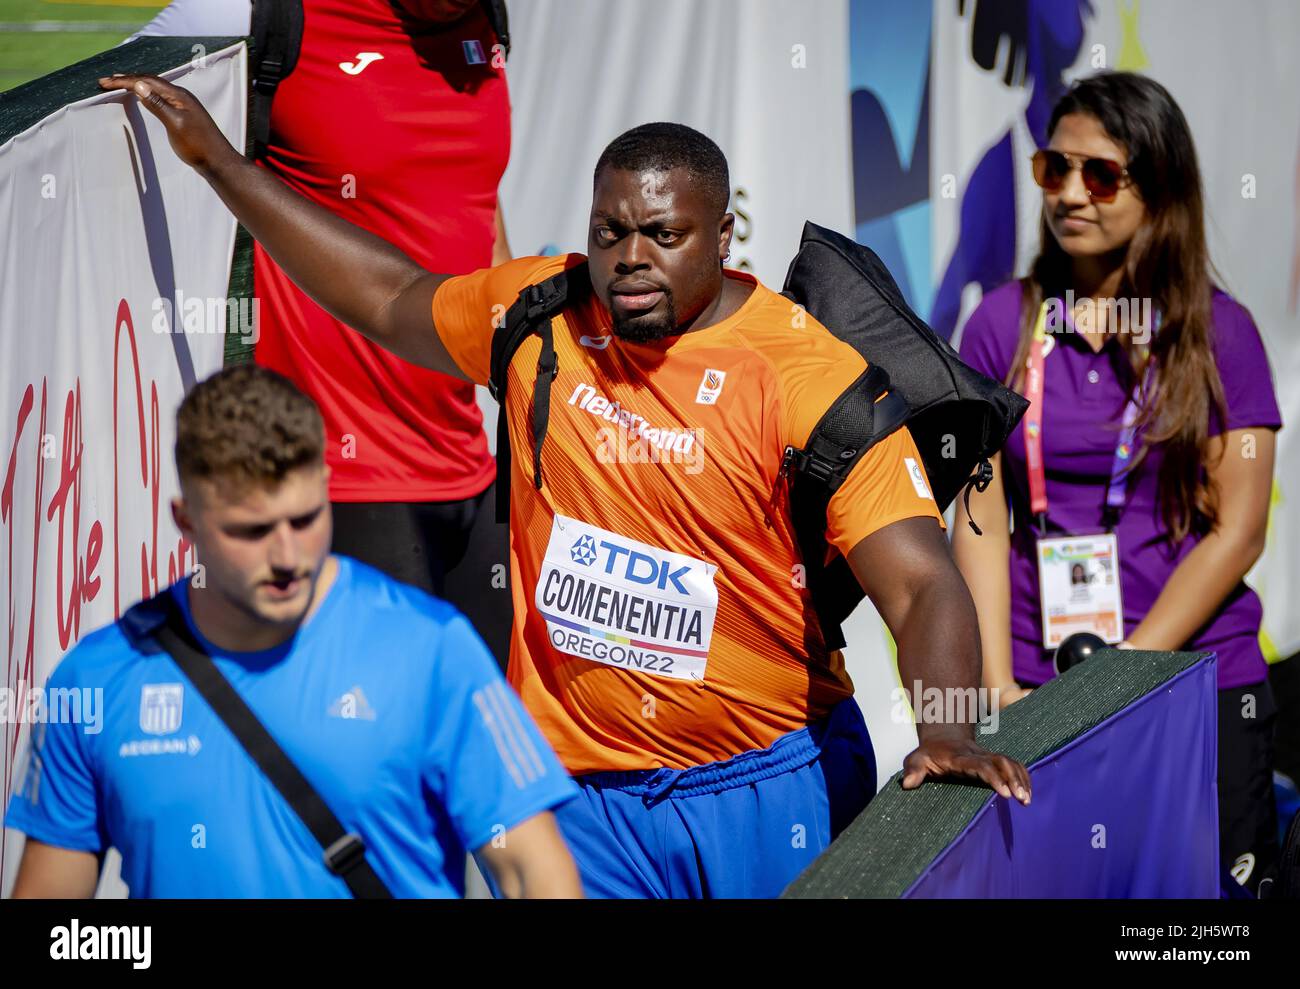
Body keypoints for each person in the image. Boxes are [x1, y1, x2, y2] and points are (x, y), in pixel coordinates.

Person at [96, 71, 1033, 897]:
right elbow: (384, 294)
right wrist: (221, 164)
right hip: (577, 798)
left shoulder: (807, 376)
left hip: (767, 786)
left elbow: (922, 583)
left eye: (663, 234)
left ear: (722, 234)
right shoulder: (536, 316)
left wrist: (947, 728)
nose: (631, 258)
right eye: (610, 231)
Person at [4, 365, 581, 898]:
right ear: (186, 522)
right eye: (251, 531)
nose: (287, 557)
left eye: (304, 519)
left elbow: (535, 872)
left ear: (326, 485)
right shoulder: (94, 680)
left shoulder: (433, 651)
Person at [952, 71, 1282, 891]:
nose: (1069, 193)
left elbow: (1239, 530)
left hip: (1195, 683)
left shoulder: (1221, 334)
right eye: (1053, 168)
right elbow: (979, 519)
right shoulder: (1000, 324)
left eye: (1100, 174)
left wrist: (1123, 672)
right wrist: (997, 686)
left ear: (1159, 188)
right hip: (1034, 693)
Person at [131, 0, 516, 666]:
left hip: (468, 463)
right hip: (338, 479)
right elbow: (78, 119)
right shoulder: (264, 11)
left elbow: (475, 202)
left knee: (486, 719)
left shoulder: (483, 20)